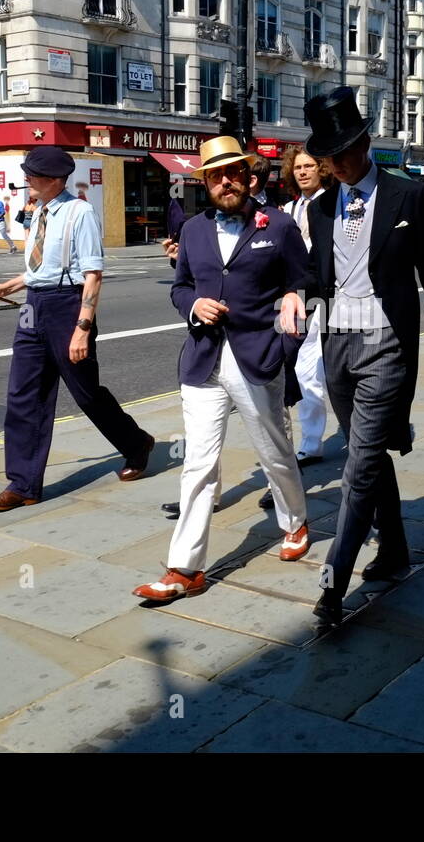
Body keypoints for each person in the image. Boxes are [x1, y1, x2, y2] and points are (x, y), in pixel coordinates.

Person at [284, 86, 424, 626]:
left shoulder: (407, 197)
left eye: (345, 152)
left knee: (358, 463)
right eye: (328, 157)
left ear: (362, 144)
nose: (338, 163)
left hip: (386, 342)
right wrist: (297, 291)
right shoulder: (319, 208)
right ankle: (397, 547)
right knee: (370, 453)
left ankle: (334, 583)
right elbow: (318, 276)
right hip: (337, 339)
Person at [133, 137, 311, 601]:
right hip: (203, 359)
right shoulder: (193, 230)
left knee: (273, 451)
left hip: (256, 355)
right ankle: (185, 569)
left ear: (249, 177)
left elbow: (303, 278)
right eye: (216, 175)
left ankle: (295, 522)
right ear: (206, 182)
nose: (225, 181)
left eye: (233, 172)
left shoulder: (280, 225)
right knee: (198, 465)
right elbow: (180, 287)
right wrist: (195, 305)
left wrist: (294, 301)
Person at [0, 146, 155, 510]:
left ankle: (136, 443)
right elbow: (38, 270)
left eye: (32, 174)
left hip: (67, 306)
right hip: (34, 307)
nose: (25, 179)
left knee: (86, 393)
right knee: (23, 395)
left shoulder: (80, 213)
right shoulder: (38, 211)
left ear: (55, 180)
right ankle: (22, 484)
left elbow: (92, 274)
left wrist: (82, 328)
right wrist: (6, 287)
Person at [280, 144, 333, 459]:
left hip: (320, 298)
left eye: (309, 166)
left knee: (309, 370)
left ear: (321, 169)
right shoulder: (288, 209)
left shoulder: (330, 205)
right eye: (298, 167)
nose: (302, 172)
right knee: (289, 368)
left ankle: (311, 444)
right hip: (289, 298)